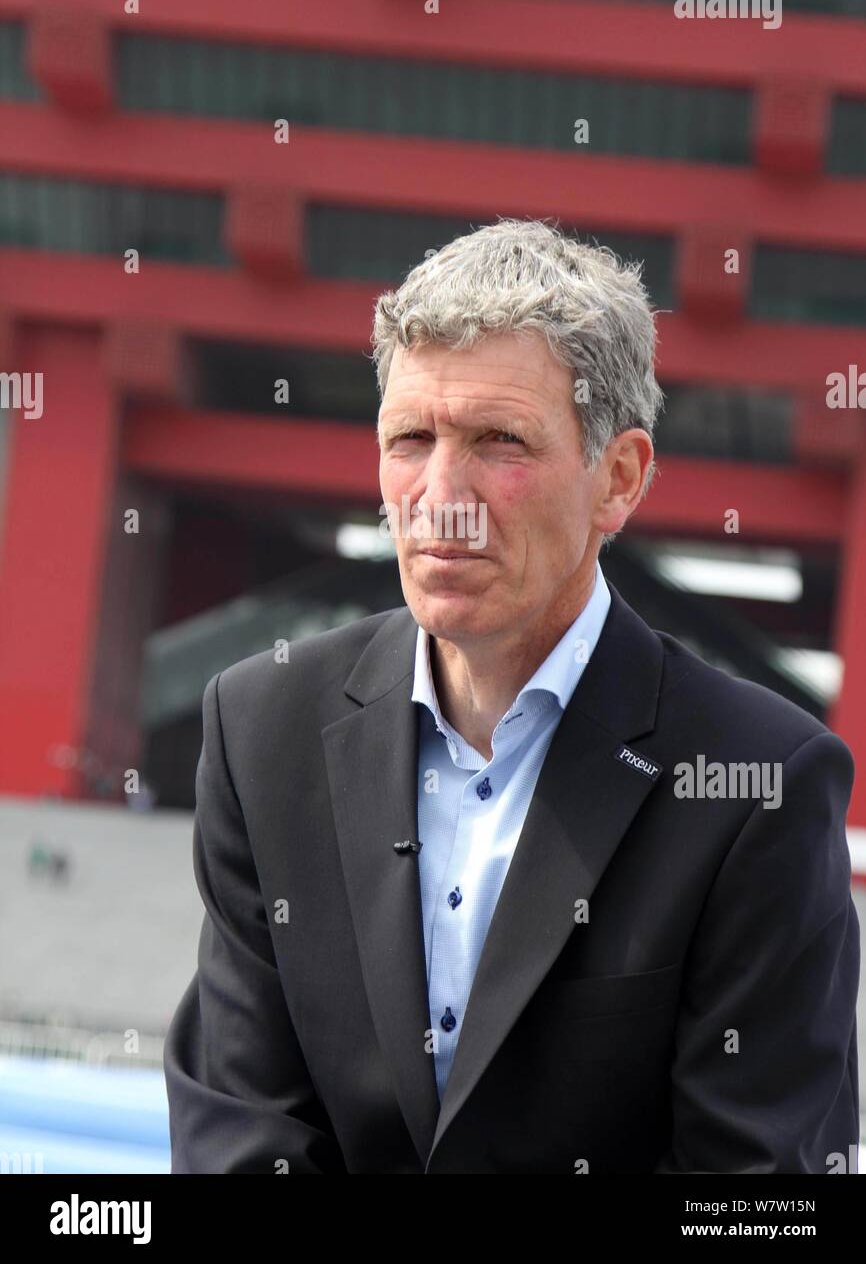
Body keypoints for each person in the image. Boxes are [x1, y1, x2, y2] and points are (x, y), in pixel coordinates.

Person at [164, 218, 859, 1173]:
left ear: (618, 479)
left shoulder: (754, 783)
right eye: (410, 438)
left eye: (499, 441)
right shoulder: (260, 730)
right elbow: (242, 1130)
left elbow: (757, 1194)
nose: (440, 495)